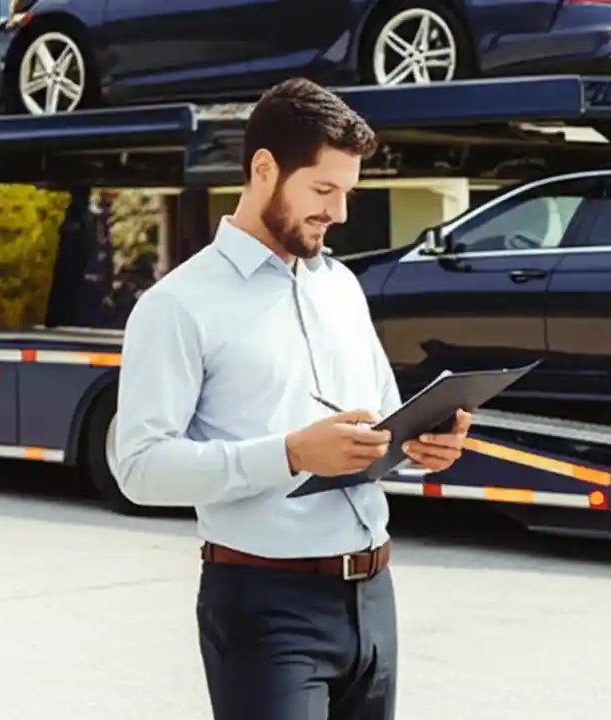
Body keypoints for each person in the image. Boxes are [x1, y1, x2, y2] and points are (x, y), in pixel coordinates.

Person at [111, 77, 473, 720]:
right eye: (323, 190)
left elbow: (381, 424)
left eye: (347, 193)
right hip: (264, 606)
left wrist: (422, 444)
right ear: (264, 169)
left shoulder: (341, 287)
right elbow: (139, 468)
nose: (339, 213)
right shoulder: (177, 305)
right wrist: (290, 453)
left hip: (373, 597)